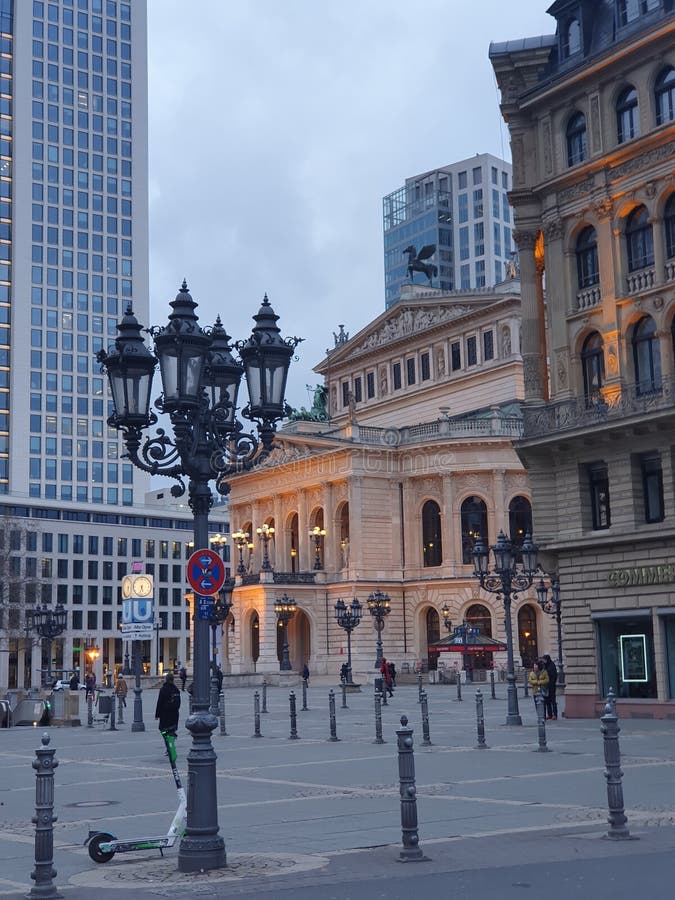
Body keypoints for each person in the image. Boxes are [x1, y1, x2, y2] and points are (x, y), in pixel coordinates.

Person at [541, 654, 558, 720]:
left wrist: (552, 683)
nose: (544, 661)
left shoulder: (551, 665)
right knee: (547, 701)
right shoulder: (544, 665)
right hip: (546, 686)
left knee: (553, 700)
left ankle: (555, 714)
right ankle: (550, 714)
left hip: (551, 686)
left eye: (544, 660)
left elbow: (554, 676)